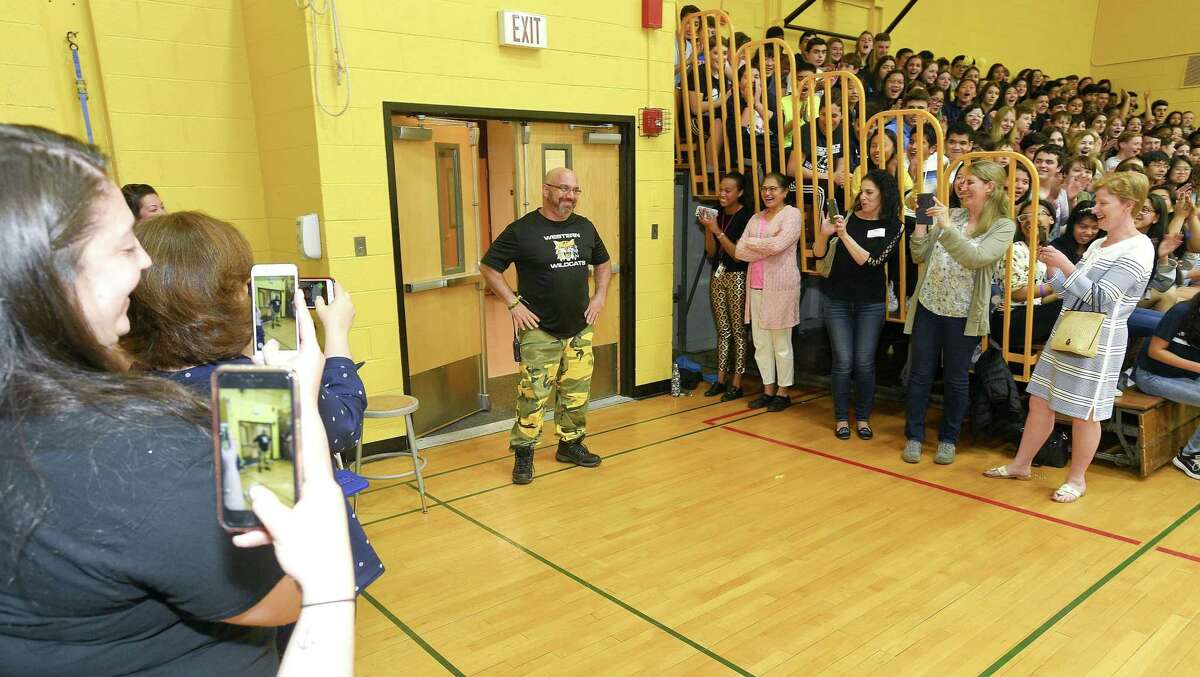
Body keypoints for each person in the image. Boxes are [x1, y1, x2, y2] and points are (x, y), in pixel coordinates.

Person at [0, 124, 349, 674]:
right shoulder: (139, 457)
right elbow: (284, 597)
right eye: (123, 245)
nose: (143, 263)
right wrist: (329, 577)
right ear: (45, 278)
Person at [987, 172, 1155, 502]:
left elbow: (1102, 299)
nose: (1096, 210)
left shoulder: (1139, 248)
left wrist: (1066, 264)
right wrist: (1052, 269)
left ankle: (1077, 480)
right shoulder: (1098, 244)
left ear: (1128, 205)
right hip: (1069, 330)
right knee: (1039, 400)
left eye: (1104, 203)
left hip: (1099, 340)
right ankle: (1021, 464)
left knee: (1085, 413)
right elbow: (1070, 291)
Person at [480, 167, 612, 485]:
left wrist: (599, 297)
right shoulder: (522, 230)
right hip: (540, 331)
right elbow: (489, 267)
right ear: (546, 189)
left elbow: (604, 263)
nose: (570, 196)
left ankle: (570, 445)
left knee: (576, 393)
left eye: (575, 190)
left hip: (579, 328)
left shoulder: (585, 227)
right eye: (564, 189)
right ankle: (524, 454)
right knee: (533, 396)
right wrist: (513, 304)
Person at [903, 161, 1016, 464]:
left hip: (964, 314)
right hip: (928, 305)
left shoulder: (1003, 225)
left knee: (956, 378)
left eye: (970, 182)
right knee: (920, 374)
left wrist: (947, 228)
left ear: (990, 187)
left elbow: (976, 257)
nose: (961, 187)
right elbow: (918, 254)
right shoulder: (951, 215)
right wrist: (921, 225)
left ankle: (948, 439)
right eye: (960, 181)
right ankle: (913, 436)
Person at [814, 169, 903, 440]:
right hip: (837, 299)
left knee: (864, 363)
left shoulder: (893, 225)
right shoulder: (847, 218)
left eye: (869, 193)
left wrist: (843, 236)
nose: (862, 197)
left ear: (883, 195)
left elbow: (872, 261)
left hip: (870, 303)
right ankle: (841, 418)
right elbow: (819, 254)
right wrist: (824, 232)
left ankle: (862, 417)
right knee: (843, 362)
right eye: (861, 191)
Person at [734, 172, 801, 412]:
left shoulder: (792, 215)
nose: (768, 193)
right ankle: (768, 389)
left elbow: (778, 245)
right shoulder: (755, 218)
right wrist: (762, 245)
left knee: (781, 342)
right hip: (756, 286)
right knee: (761, 343)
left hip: (781, 288)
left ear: (784, 192)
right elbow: (740, 251)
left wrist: (754, 243)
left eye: (773, 189)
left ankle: (783, 393)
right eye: (764, 189)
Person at [1130, 295, 1200, 480]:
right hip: (1152, 376)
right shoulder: (1182, 311)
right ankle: (1188, 455)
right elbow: (1155, 351)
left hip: (1187, 375)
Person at [700, 173, 752, 401]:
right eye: (721, 189)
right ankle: (720, 380)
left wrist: (717, 230)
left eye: (728, 190)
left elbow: (737, 255)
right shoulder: (716, 214)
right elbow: (711, 253)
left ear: (739, 193)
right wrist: (709, 230)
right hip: (718, 274)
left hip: (738, 275)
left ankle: (737, 383)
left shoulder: (746, 217)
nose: (722, 194)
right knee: (723, 330)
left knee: (739, 331)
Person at [991, 199, 1062, 352]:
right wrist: (1055, 286)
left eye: (1037, 213)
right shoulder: (1015, 250)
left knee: (1070, 304)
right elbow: (1017, 294)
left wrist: (1063, 292)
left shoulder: (1048, 252)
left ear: (1051, 219)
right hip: (1009, 318)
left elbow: (1040, 299)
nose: (1030, 219)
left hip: (1029, 314)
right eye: (1024, 217)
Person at [1049, 200, 1101, 265]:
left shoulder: (1101, 250)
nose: (1089, 232)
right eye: (1083, 227)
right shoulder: (1055, 248)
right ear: (1072, 224)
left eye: (1095, 228)